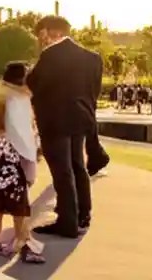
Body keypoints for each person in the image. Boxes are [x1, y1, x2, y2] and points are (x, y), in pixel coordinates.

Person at [27, 15, 101, 238]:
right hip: (80, 118)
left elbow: (34, 84)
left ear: (50, 32)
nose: (42, 40)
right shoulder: (93, 58)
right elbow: (94, 91)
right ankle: (82, 214)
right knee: (78, 165)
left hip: (55, 120)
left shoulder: (51, 55)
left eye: (42, 35)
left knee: (62, 171)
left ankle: (67, 222)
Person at [0, 62, 45, 264]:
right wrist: (31, 163)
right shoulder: (19, 99)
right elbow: (23, 136)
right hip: (13, 159)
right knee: (19, 206)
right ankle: (24, 245)